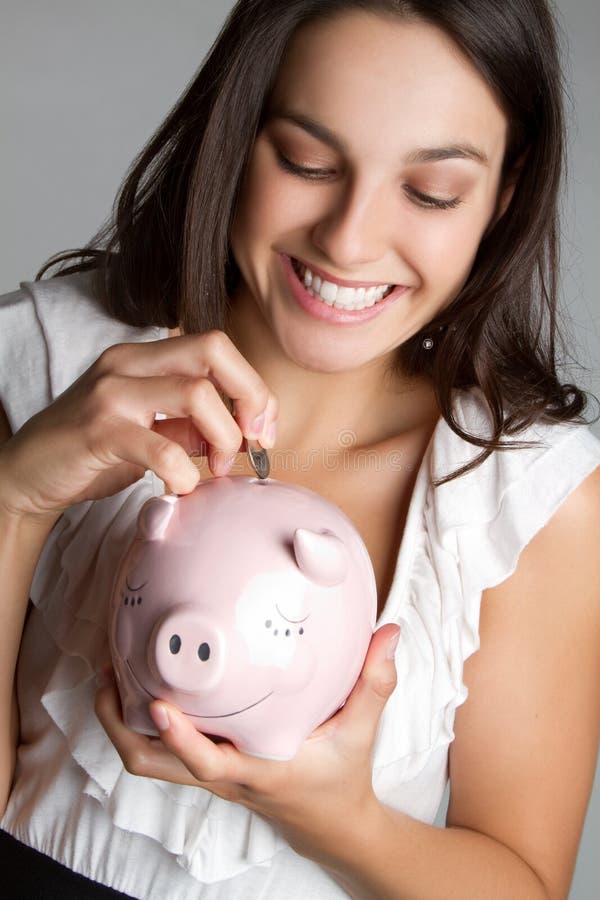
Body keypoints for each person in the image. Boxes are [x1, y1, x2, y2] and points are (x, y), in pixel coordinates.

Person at [1, 0, 599, 897]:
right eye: (308, 162)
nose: (349, 240)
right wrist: (15, 500)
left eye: (430, 191)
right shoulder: (55, 369)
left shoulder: (523, 502)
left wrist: (338, 820)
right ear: (238, 137)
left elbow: (526, 885)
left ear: (501, 198)